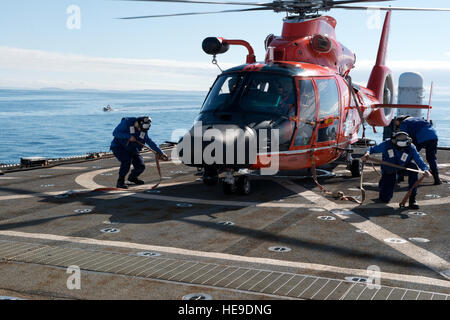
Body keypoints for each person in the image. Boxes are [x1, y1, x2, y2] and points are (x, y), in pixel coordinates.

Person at [361, 131, 431, 209]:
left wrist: (425, 169)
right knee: (385, 199)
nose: (402, 149)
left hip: (403, 166)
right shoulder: (387, 144)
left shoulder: (411, 147)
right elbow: (372, 149)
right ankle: (383, 188)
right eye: (400, 147)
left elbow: (418, 159)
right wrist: (367, 153)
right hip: (389, 169)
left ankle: (412, 199)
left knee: (413, 167)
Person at [110, 116, 168, 189]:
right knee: (126, 161)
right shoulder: (127, 122)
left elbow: (149, 142)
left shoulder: (143, 130)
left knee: (141, 166)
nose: (141, 131)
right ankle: (120, 182)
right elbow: (115, 133)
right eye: (140, 128)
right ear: (138, 124)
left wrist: (161, 152)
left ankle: (132, 177)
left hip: (132, 148)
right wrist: (128, 136)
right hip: (119, 147)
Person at [395, 115, 441, 185]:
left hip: (421, 137)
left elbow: (404, 137)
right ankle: (437, 179)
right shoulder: (418, 118)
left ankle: (401, 176)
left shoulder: (404, 123)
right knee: (431, 158)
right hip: (433, 135)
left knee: (407, 155)